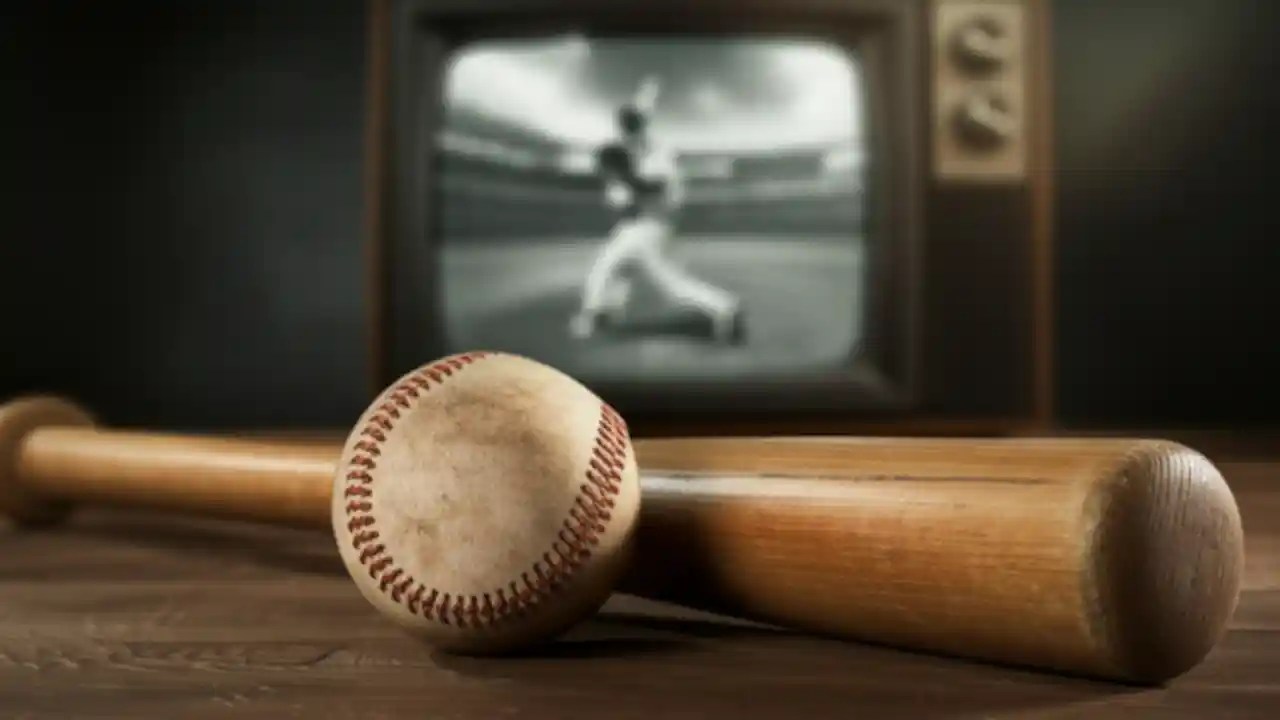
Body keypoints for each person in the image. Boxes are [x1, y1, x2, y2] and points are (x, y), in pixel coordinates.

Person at [568, 77, 744, 344]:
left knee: (667, 285)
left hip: (649, 227)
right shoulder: (639, 147)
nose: (624, 131)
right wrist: (646, 95)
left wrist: (621, 174)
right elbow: (636, 117)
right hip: (640, 227)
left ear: (639, 129)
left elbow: (652, 187)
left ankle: (725, 308)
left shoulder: (659, 156)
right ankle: (602, 314)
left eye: (629, 126)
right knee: (610, 270)